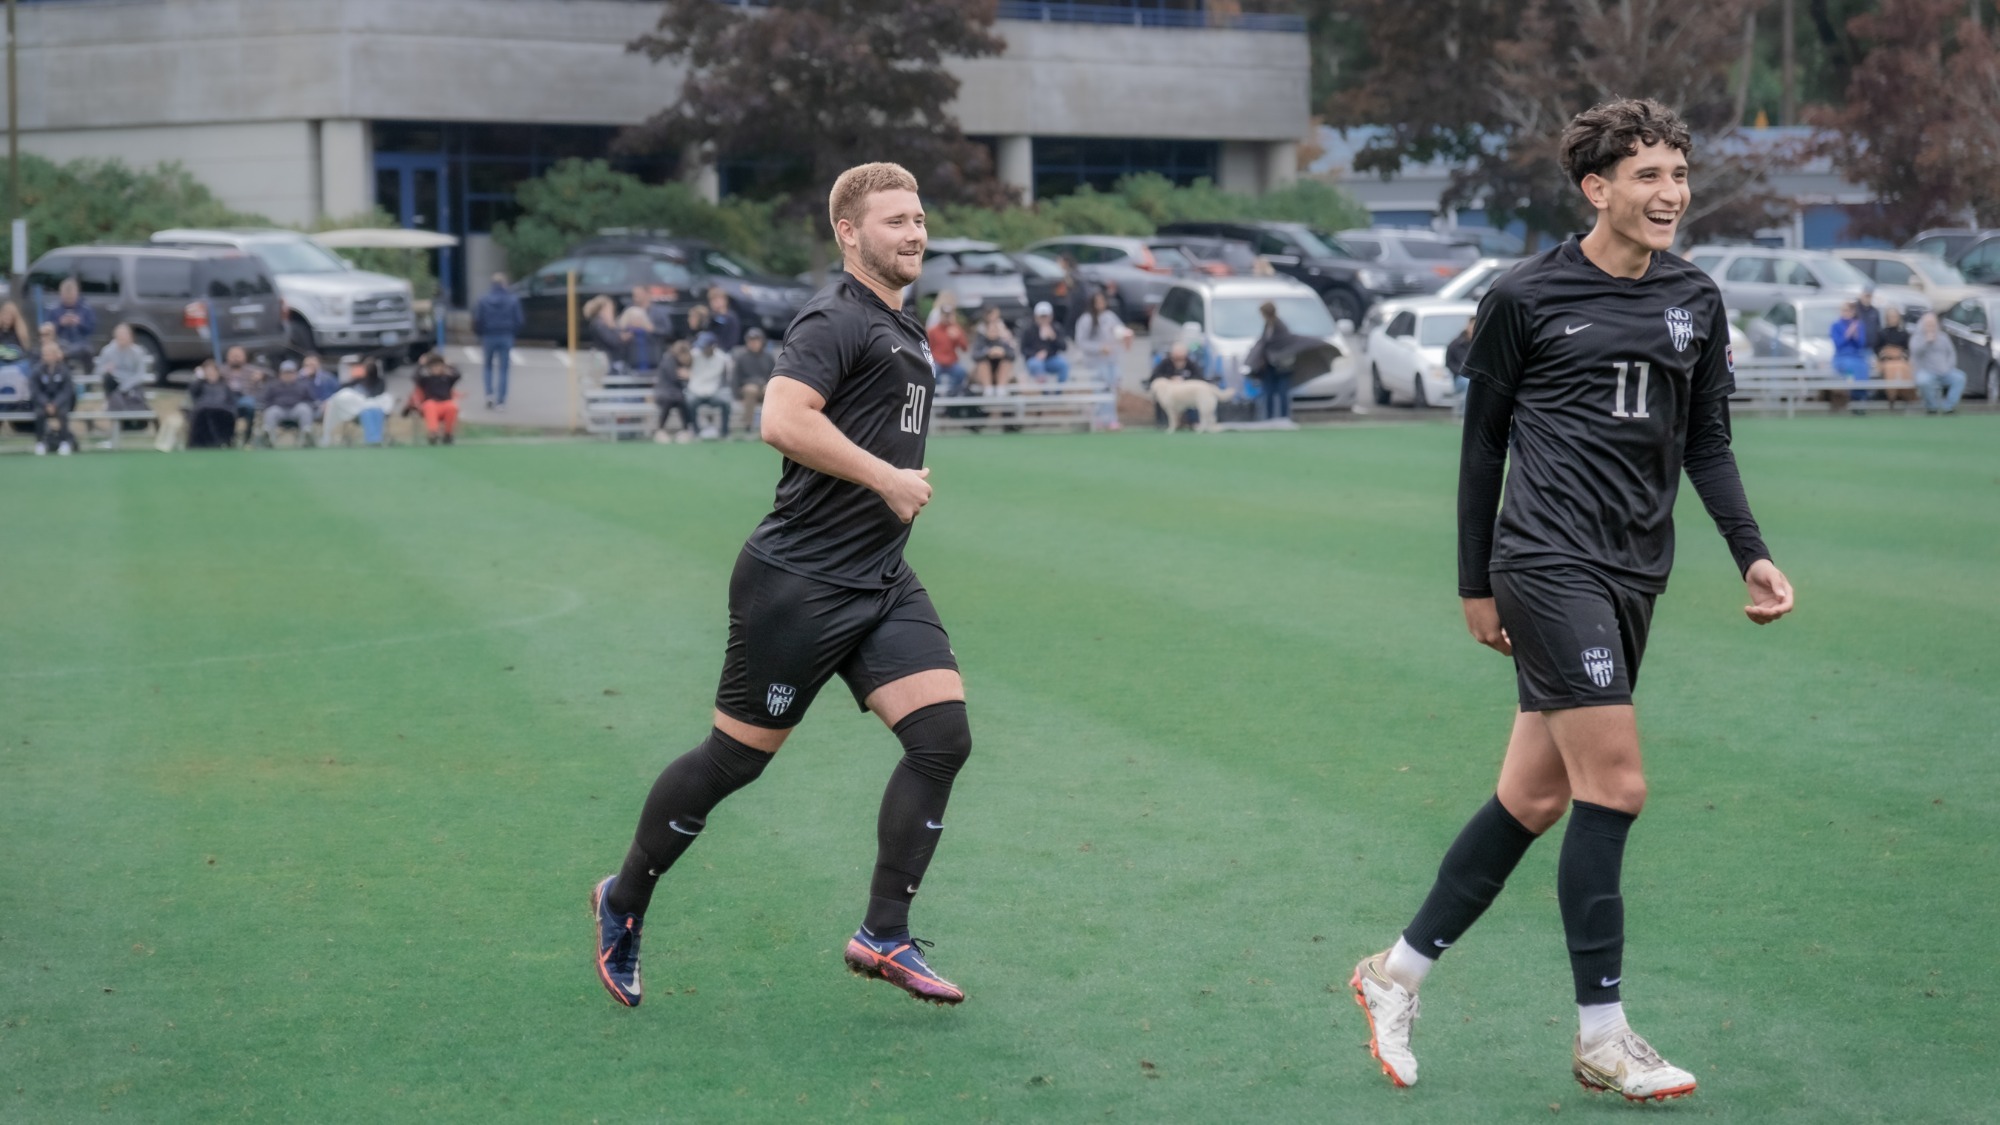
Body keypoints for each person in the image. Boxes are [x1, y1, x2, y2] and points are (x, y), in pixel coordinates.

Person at [1349, 99, 1795, 1103]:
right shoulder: (1524, 295)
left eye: (1677, 174)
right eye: (1646, 176)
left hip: (1634, 571)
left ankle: (1394, 974)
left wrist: (1751, 555)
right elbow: (1482, 448)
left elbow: (1706, 442)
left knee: (1535, 797)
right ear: (1596, 188)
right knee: (1616, 785)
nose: (1670, 194)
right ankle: (1602, 1034)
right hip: (1546, 563)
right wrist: (1474, 583)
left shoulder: (1695, 298)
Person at [591, 162, 973, 1012]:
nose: (914, 232)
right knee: (734, 760)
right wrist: (885, 477)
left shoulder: (900, 324)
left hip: (879, 575)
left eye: (919, 218)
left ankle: (883, 932)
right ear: (849, 233)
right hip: (799, 582)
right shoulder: (835, 316)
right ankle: (623, 899)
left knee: (941, 735)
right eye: (895, 221)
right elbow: (782, 418)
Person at [1147, 339, 1227, 432]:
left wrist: (1185, 380)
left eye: (1181, 356)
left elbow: (1199, 376)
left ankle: (1196, 423)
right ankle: (1166, 424)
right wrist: (1170, 378)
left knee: (1195, 405)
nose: (1179, 358)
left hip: (1189, 394)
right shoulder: (1165, 363)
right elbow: (1155, 376)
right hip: (1173, 396)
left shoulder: (1190, 363)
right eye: (1177, 356)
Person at [1072, 291, 1125, 430]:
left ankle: (1112, 419)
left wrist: (1125, 335)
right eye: (1098, 301)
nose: (1101, 304)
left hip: (1111, 360)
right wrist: (1099, 348)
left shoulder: (1110, 316)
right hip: (1095, 361)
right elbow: (1081, 342)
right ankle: (1101, 419)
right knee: (1101, 390)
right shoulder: (1086, 319)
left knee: (1113, 389)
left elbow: (1120, 331)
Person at [472, 273, 523, 410]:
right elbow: (518, 320)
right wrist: (512, 332)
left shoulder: (483, 300)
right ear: (504, 284)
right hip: (506, 335)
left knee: (488, 366)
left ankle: (489, 394)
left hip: (488, 336)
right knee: (504, 369)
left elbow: (478, 319)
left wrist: (480, 334)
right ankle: (501, 401)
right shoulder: (513, 300)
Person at [320, 357, 394, 446]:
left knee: (372, 411)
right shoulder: (360, 380)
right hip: (357, 411)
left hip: (374, 407)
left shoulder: (380, 381)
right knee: (364, 410)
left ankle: (375, 439)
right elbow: (343, 386)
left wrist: (367, 401)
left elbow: (378, 395)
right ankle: (372, 439)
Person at [1246, 302, 1295, 421]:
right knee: (1268, 393)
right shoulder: (1268, 325)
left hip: (1282, 367)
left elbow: (1279, 344)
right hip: (1269, 366)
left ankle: (1284, 418)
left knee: (1282, 393)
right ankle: (1269, 418)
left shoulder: (1280, 326)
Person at [1910, 312, 1966, 414]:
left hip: (1945, 371)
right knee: (1923, 381)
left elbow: (1951, 353)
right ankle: (1932, 407)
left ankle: (1949, 407)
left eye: (1933, 324)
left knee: (1960, 377)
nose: (1931, 327)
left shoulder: (1943, 337)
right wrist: (1926, 342)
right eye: (1928, 324)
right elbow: (1915, 352)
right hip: (1925, 371)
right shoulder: (1917, 338)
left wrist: (1949, 366)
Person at [29, 340, 78, 455]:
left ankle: (64, 442)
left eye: (49, 354)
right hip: (43, 404)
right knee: (39, 414)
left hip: (60, 403)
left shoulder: (64, 370)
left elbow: (67, 390)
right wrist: (46, 403)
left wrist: (55, 404)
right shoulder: (37, 371)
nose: (46, 356)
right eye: (45, 354)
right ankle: (40, 442)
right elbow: (35, 391)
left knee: (63, 414)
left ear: (56, 355)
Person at [683, 330, 735, 439]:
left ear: (713, 346)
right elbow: (684, 361)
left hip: (713, 391)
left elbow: (728, 376)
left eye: (705, 346)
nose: (703, 349)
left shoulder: (722, 358)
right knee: (689, 402)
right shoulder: (694, 354)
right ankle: (695, 432)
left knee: (726, 402)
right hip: (695, 390)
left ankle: (724, 433)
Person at [258, 360, 318, 446]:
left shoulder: (303, 385)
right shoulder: (272, 385)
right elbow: (264, 400)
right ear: (280, 374)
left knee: (304, 408)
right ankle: (269, 437)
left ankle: (306, 435)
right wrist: (271, 405)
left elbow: (312, 401)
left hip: (296, 410)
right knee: (271, 411)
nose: (288, 375)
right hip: (279, 410)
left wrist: (307, 405)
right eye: (286, 372)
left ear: (295, 373)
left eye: (291, 372)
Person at [42, 277, 98, 368]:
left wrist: (80, 323)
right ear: (61, 294)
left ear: (77, 294)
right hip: (59, 342)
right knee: (54, 351)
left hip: (80, 343)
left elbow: (92, 329)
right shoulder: (53, 310)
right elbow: (46, 331)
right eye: (66, 297)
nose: (69, 299)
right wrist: (60, 324)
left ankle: (89, 374)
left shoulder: (86, 309)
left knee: (87, 350)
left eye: (71, 297)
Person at [411, 351, 464, 445]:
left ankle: (448, 433)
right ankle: (433, 433)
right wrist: (421, 365)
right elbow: (415, 377)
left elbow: (458, 375)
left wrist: (450, 364)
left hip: (445, 402)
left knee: (452, 407)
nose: (436, 368)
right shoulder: (426, 379)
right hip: (432, 403)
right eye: (434, 367)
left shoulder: (447, 378)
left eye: (439, 366)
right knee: (429, 405)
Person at [732, 326, 777, 433]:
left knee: (769, 390)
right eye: (751, 340)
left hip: (764, 387)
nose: (754, 343)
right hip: (747, 387)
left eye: (756, 340)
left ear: (762, 341)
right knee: (751, 390)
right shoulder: (741, 357)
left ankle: (770, 425)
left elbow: (774, 375)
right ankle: (748, 425)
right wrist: (737, 395)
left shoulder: (768, 357)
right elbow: (736, 378)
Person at [220, 346, 269, 445]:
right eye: (233, 356)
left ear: (245, 357)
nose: (235, 358)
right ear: (228, 357)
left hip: (245, 397)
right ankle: (227, 438)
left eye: (238, 356)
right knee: (222, 409)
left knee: (249, 405)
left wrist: (262, 376)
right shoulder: (221, 370)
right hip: (227, 398)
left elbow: (271, 374)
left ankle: (247, 437)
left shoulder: (251, 370)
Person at [1830, 299, 1871, 414]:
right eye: (1844, 310)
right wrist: (1848, 334)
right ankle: (1853, 397)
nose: (1846, 313)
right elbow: (1838, 344)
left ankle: (1860, 400)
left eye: (1848, 310)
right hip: (1842, 358)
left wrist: (1856, 335)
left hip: (1857, 357)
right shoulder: (1836, 326)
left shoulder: (1858, 325)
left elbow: (1861, 344)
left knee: (1863, 369)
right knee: (1850, 370)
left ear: (1853, 312)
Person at [187, 359, 239, 448]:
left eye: (212, 371)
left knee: (218, 415)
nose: (211, 373)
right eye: (208, 371)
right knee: (205, 414)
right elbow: (193, 392)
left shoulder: (225, 386)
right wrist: (199, 378)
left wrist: (233, 412)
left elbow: (232, 402)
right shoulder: (200, 385)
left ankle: (220, 441)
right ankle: (211, 442)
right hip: (203, 411)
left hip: (223, 410)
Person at [1017, 301, 1070, 384]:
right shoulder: (1028, 330)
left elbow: (1064, 347)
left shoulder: (1056, 328)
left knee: (1063, 364)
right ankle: (1044, 389)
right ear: (1036, 317)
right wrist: (1035, 354)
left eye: (1046, 316)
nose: (1044, 319)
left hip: (1051, 359)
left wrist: (1053, 338)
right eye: (1041, 317)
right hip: (1034, 359)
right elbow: (1023, 349)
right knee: (1036, 365)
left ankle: (1060, 389)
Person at [651, 338, 693, 443]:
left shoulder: (681, 363)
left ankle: (686, 429)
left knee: (683, 402)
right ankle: (660, 430)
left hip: (676, 394)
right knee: (669, 400)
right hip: (664, 392)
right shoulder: (668, 361)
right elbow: (674, 377)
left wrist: (687, 376)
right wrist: (685, 376)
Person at [1873, 306, 1914, 403]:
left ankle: (1905, 395)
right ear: (1887, 318)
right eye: (1890, 317)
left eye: (1895, 316)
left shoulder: (1904, 334)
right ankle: (1891, 397)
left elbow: (1908, 350)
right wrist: (1886, 353)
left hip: (1901, 360)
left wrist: (1900, 354)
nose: (1893, 319)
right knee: (1890, 368)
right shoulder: (1881, 333)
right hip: (1886, 360)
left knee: (1903, 367)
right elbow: (1877, 349)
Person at [970, 305, 1015, 391]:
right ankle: (988, 389)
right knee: (983, 363)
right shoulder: (981, 339)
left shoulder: (1003, 340)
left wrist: (1003, 352)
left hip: (1000, 371)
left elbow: (1013, 355)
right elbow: (975, 355)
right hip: (983, 373)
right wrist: (988, 352)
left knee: (1006, 363)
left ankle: (1001, 389)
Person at [926, 310, 969, 398]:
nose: (946, 318)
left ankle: (953, 393)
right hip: (937, 361)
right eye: (945, 315)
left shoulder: (956, 329)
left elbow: (965, 348)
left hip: (951, 363)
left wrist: (958, 337)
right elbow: (927, 348)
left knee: (961, 372)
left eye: (948, 316)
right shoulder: (933, 330)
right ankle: (935, 395)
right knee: (933, 371)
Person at [1445, 317, 1476, 418]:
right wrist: (1461, 372)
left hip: (1475, 376)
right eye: (1472, 325)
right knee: (1468, 383)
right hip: (1460, 377)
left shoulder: (1480, 343)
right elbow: (1449, 363)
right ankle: (1465, 415)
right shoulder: (1456, 344)